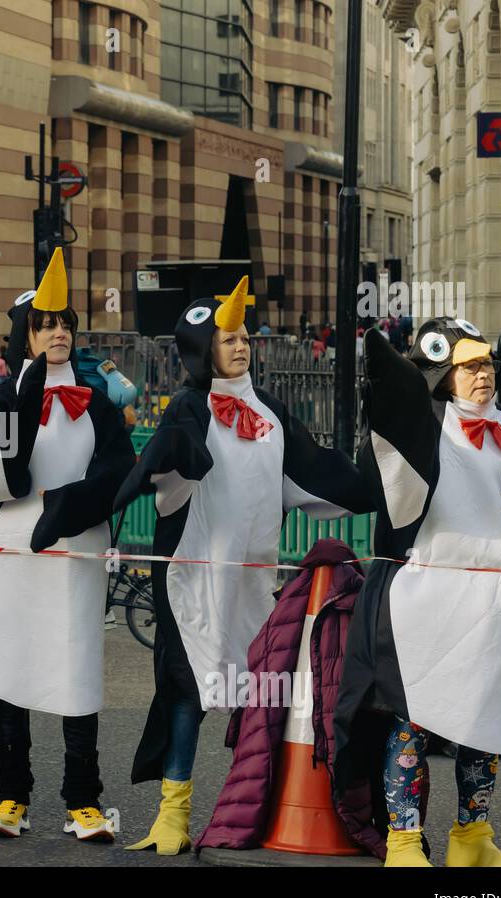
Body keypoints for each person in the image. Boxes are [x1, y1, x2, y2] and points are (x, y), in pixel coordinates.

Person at [113, 276, 370, 855]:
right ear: (202, 348)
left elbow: (310, 475)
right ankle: (172, 813)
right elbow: (163, 477)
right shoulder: (186, 406)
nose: (241, 346)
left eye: (245, 337)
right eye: (228, 338)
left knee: (263, 691)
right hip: (194, 576)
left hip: (256, 581)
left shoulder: (271, 411)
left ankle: (258, 806)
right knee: (186, 691)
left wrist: (371, 483)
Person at [334, 319, 501, 866]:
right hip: (427, 598)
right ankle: (404, 840)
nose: (484, 374)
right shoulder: (423, 424)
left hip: (492, 602)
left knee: (485, 721)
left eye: (487, 364)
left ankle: (471, 837)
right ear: (444, 376)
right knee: (415, 720)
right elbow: (375, 480)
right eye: (470, 366)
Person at [0, 247, 135, 842]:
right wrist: (24, 407)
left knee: (76, 665)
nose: (58, 331)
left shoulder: (99, 401)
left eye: (65, 323)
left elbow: (119, 474)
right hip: (7, 553)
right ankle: (12, 796)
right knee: (10, 668)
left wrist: (72, 507)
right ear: (25, 335)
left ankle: (83, 799)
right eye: (45, 323)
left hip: (77, 551)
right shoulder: (1, 397)